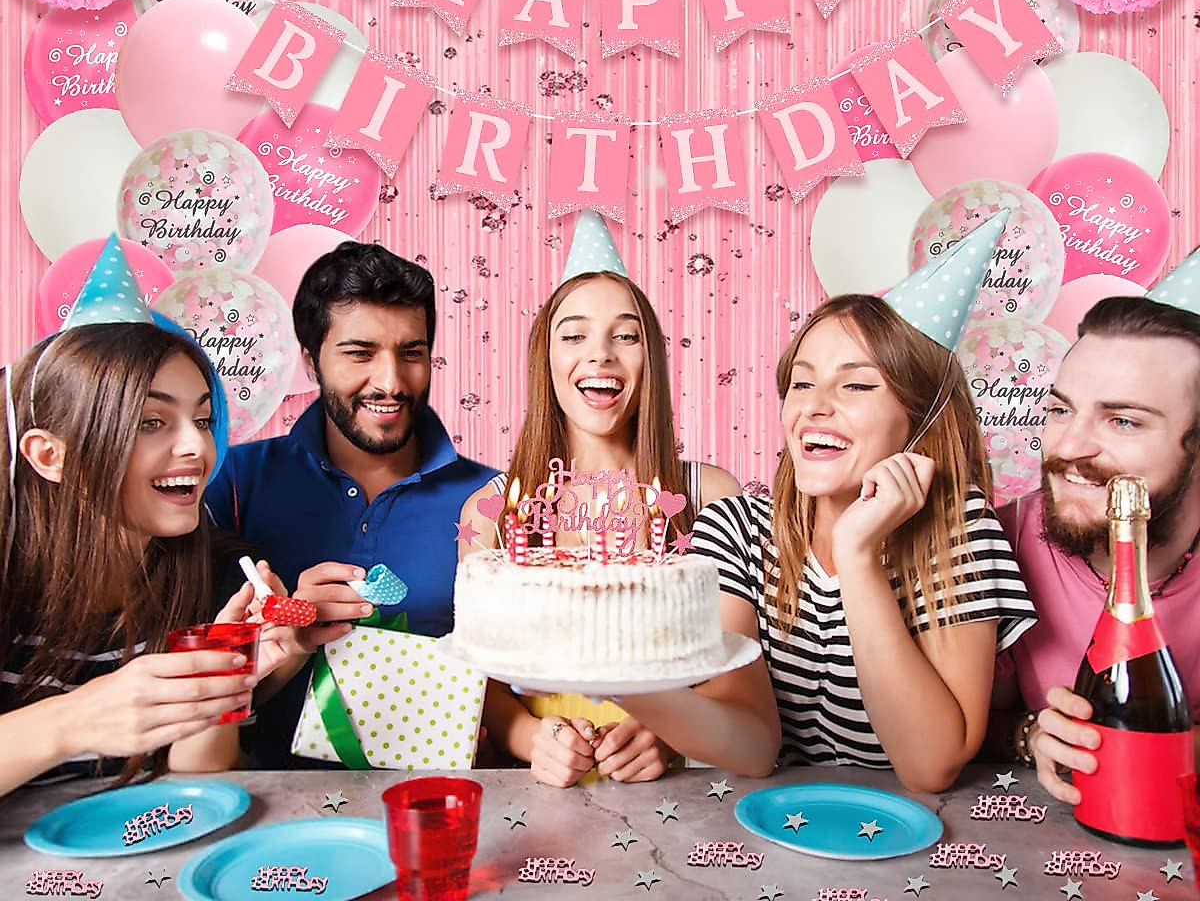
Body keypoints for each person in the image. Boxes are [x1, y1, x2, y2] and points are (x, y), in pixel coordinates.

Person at [615, 218, 1038, 793]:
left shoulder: (961, 532)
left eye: (856, 385)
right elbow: (750, 744)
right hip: (763, 826)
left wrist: (857, 557)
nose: (815, 406)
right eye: (801, 383)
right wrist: (627, 686)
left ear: (920, 418)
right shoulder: (734, 529)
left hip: (912, 831)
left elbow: (930, 765)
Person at [458, 213, 740, 787]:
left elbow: (737, 677)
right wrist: (532, 738)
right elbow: (479, 679)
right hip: (540, 794)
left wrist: (673, 733)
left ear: (650, 357)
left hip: (680, 794)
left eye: (625, 335)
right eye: (574, 335)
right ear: (545, 360)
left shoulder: (709, 496)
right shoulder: (492, 514)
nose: (601, 354)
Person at [0, 306, 321, 797]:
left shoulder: (220, 580)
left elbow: (198, 792)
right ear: (50, 455)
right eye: (151, 422)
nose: (197, 446)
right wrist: (71, 721)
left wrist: (219, 685)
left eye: (203, 419)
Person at [204, 241, 498, 767]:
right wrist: (284, 632)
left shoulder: (493, 500)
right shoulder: (230, 483)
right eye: (360, 353)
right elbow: (190, 692)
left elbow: (519, 683)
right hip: (264, 798)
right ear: (311, 361)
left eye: (411, 353)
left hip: (441, 797)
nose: (390, 382)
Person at [989, 282, 1200, 805]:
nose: (1068, 446)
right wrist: (1030, 734)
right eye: (1061, 411)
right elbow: (953, 731)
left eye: (1122, 420)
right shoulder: (998, 541)